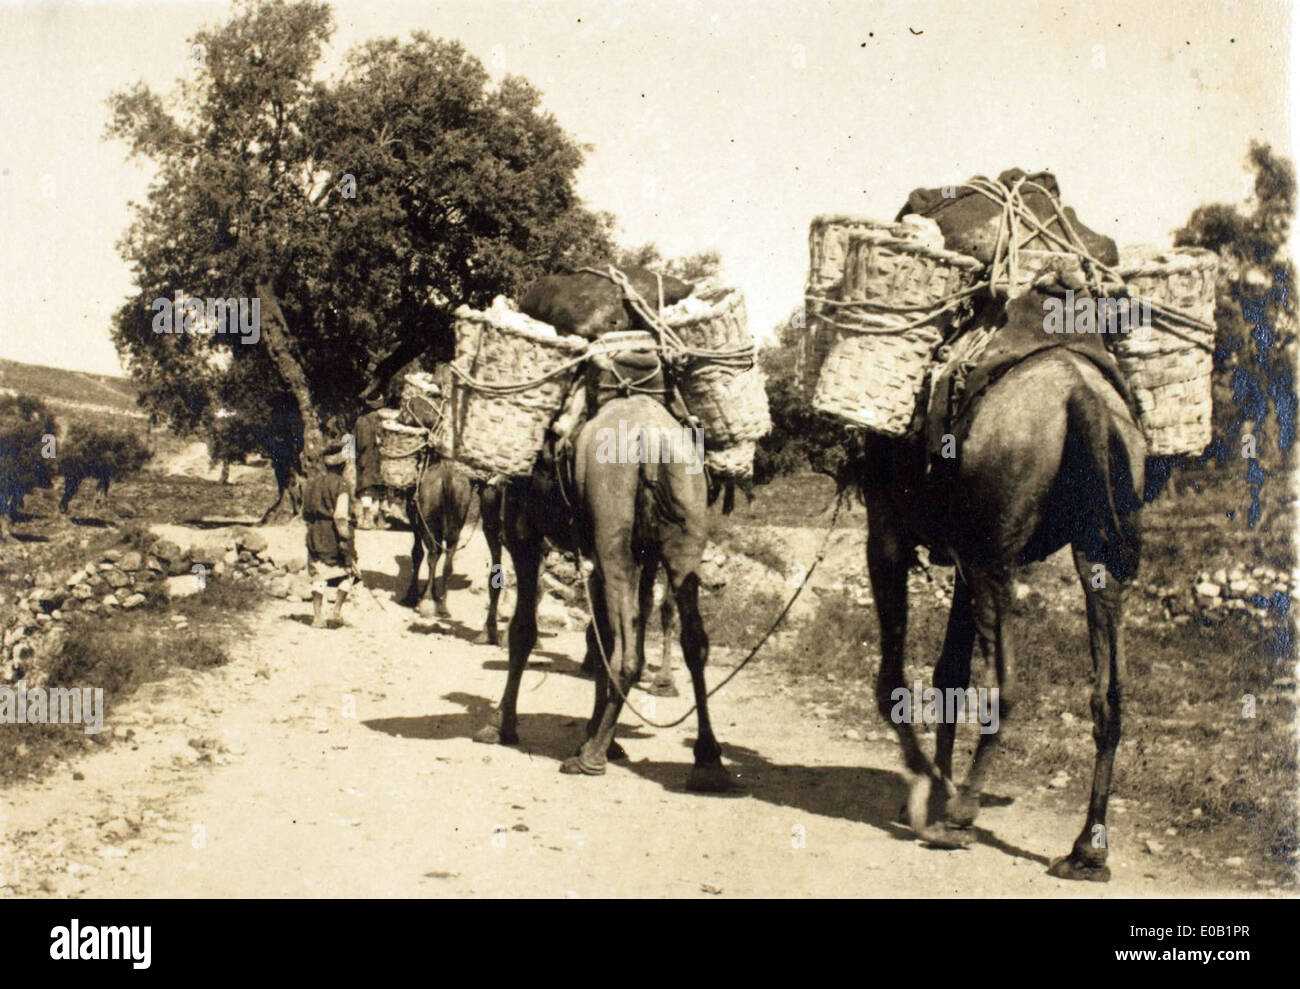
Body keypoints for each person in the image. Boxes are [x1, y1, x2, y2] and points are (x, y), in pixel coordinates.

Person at [303, 439, 357, 628]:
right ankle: (336, 612)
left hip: (315, 531)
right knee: (347, 574)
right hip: (333, 533)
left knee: (319, 575)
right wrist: (345, 539)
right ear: (342, 465)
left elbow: (306, 513)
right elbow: (341, 516)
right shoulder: (342, 485)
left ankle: (318, 617)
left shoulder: (312, 484)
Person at [353, 394, 386, 529]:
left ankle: (367, 520)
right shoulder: (382, 420)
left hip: (366, 458)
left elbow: (361, 443)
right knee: (379, 489)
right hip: (381, 459)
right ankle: (381, 520)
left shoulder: (361, 421)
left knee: (366, 488)